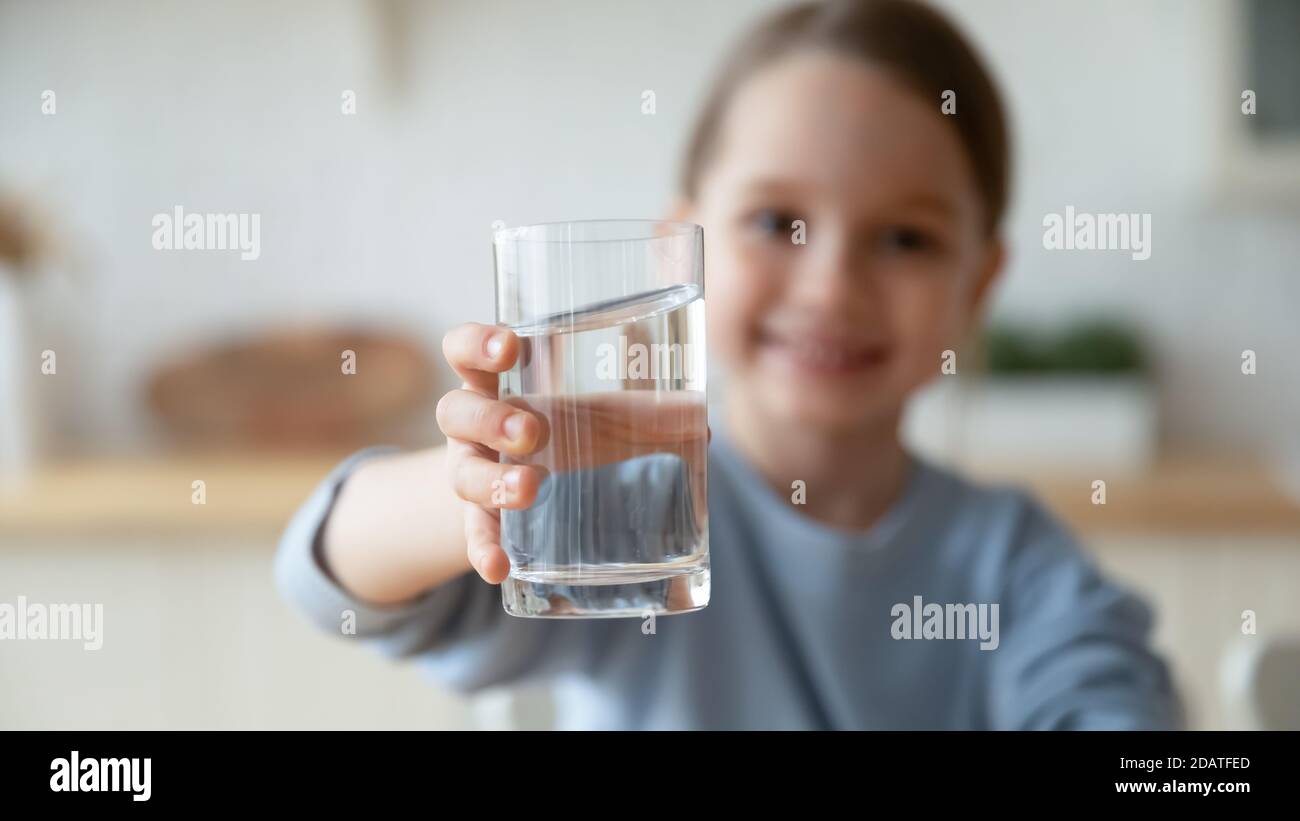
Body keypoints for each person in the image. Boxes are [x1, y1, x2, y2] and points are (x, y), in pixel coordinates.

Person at [275, 0, 1182, 730]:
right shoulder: (626, 509)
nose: (831, 287)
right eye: (777, 223)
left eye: (906, 238)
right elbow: (327, 576)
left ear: (979, 284)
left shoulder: (1013, 564)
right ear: (681, 249)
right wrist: (468, 487)